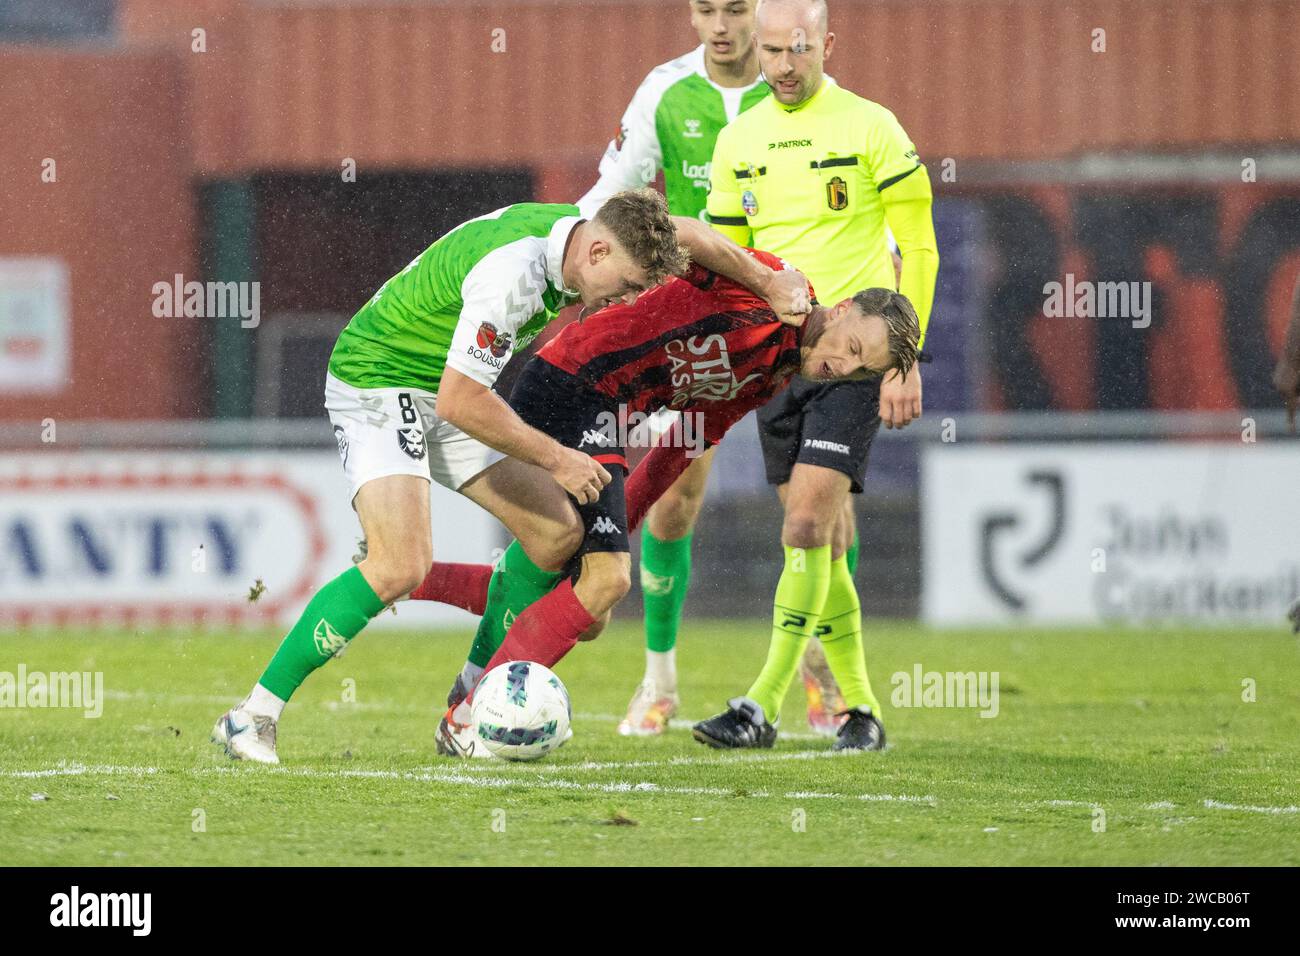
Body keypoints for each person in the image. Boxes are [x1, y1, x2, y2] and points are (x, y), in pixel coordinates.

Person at [210, 190, 811, 764]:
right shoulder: (512, 278)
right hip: (381, 381)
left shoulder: (586, 226)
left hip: (445, 388)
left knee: (554, 537)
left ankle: (468, 707)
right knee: (401, 563)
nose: (625, 302)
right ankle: (252, 714)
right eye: (626, 288)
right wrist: (558, 459)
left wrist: (765, 280)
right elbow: (460, 402)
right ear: (598, 253)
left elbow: (684, 231)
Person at [410, 248, 920, 758]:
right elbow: (679, 235)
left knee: (584, 603)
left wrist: (618, 528)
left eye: (859, 367)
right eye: (851, 345)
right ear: (844, 307)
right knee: (606, 578)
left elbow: (683, 444)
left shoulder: (773, 373)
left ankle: (416, 585)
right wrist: (765, 277)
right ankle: (470, 711)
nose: (842, 365)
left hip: (604, 413)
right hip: (575, 382)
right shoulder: (770, 288)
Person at [691, 0, 939, 751]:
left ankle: (760, 705)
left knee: (804, 525)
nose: (784, 66)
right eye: (770, 52)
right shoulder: (740, 141)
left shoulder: (871, 126)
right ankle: (860, 711)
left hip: (854, 359)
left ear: (828, 43)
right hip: (776, 367)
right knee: (821, 543)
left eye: (798, 50)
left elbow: (918, 247)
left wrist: (903, 357)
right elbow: (727, 265)